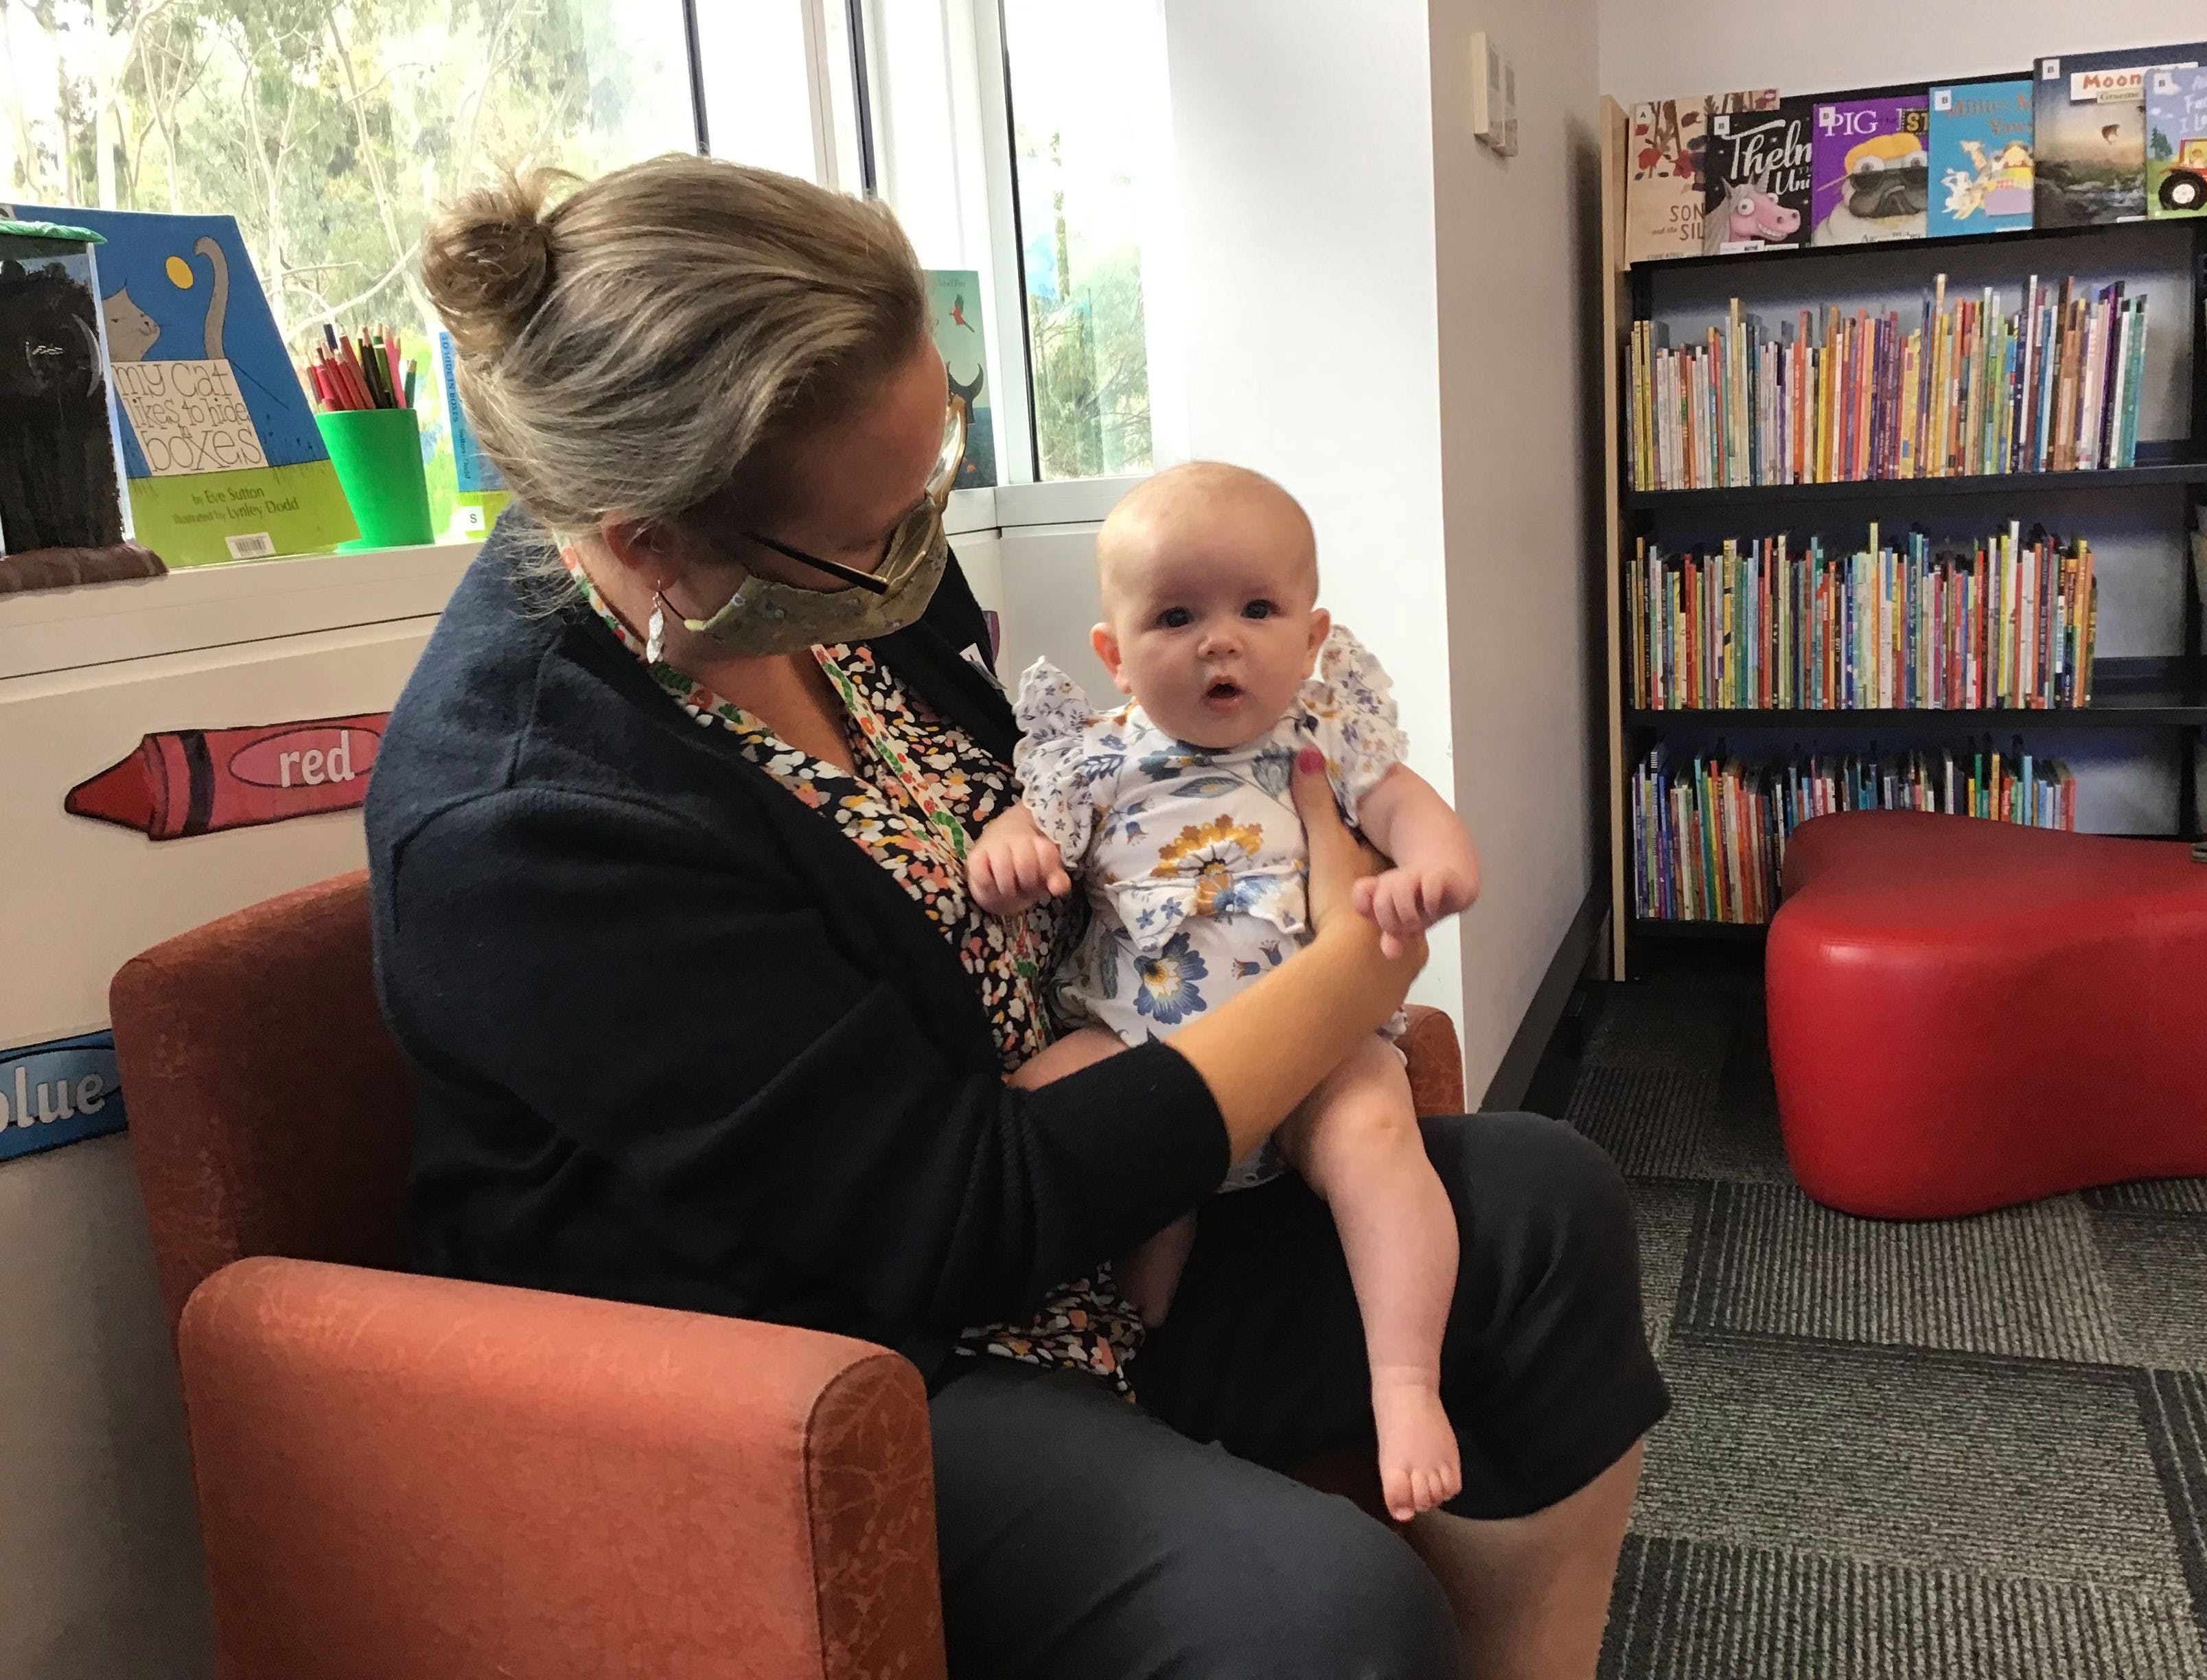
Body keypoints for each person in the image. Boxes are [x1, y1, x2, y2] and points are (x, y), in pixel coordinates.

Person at [370, 153, 1668, 1680]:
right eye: (877, 523)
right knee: (1323, 1619)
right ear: (651, 539)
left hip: (1076, 1202)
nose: (921, 539)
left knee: (1541, 1205)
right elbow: (956, 1219)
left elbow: (1054, 814)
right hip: (838, 1356)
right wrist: (1341, 968)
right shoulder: (533, 816)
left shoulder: (835, 584)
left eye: (937, 464)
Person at [969, 463, 1477, 1520]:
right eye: (1175, 615)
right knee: (1035, 1097)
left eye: (1257, 609)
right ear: (1113, 653)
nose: (1220, 640)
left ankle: (1405, 1383)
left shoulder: (1324, 741)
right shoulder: (1099, 762)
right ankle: (1140, 1328)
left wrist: (1434, 863)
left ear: (1310, 634)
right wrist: (1010, 851)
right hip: (1138, 1051)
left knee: (1380, 1140)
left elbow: (1405, 804)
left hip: (1313, 1050)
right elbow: (1030, 829)